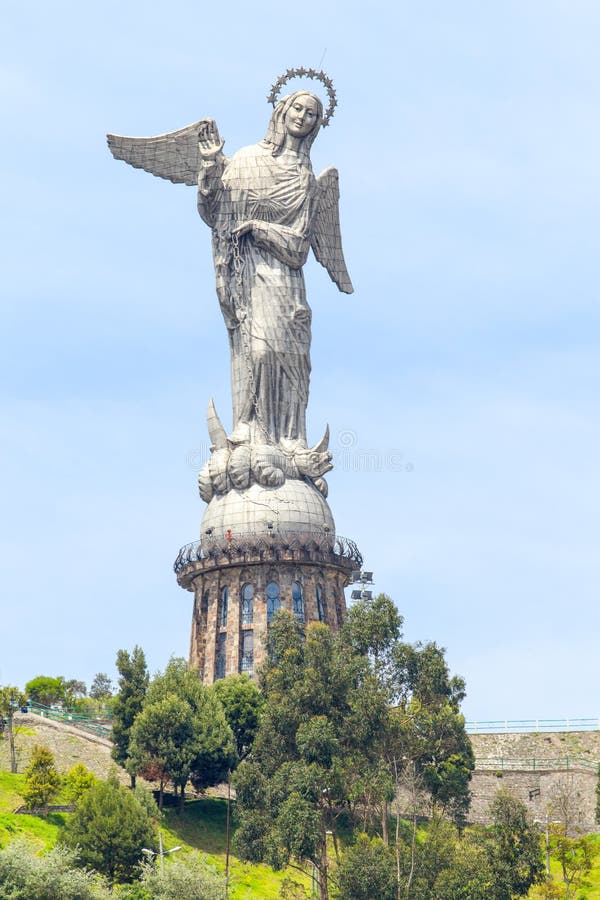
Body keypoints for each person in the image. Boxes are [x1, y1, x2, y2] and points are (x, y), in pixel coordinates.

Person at [196, 92, 326, 449]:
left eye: (312, 114)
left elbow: (299, 247)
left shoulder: (306, 180)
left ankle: (288, 436)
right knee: (257, 352)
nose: (302, 117)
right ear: (282, 111)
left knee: (288, 356)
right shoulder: (247, 159)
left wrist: (258, 227)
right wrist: (210, 167)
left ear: (317, 125)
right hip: (248, 272)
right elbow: (216, 213)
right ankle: (251, 426)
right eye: (298, 109)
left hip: (284, 279)